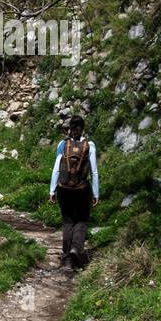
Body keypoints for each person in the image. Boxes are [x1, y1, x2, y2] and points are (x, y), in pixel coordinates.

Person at [49, 115, 100, 270]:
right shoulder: (89, 145)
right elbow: (94, 171)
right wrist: (96, 193)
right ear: (83, 128)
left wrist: (52, 190)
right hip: (81, 190)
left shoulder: (63, 144)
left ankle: (67, 257)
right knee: (81, 220)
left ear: (69, 128)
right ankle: (75, 251)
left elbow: (57, 168)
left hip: (64, 189)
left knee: (67, 220)